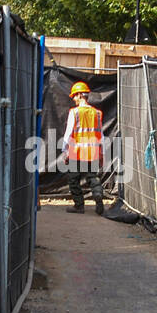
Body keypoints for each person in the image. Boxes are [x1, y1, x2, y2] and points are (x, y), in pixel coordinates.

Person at [62, 80, 104, 214]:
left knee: (73, 179)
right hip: (93, 152)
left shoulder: (74, 112)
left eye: (74, 95)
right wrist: (101, 153)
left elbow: (68, 134)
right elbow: (101, 135)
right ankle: (98, 198)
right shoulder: (97, 113)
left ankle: (79, 206)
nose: (73, 98)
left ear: (80, 95)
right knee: (93, 177)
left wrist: (65, 151)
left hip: (77, 151)